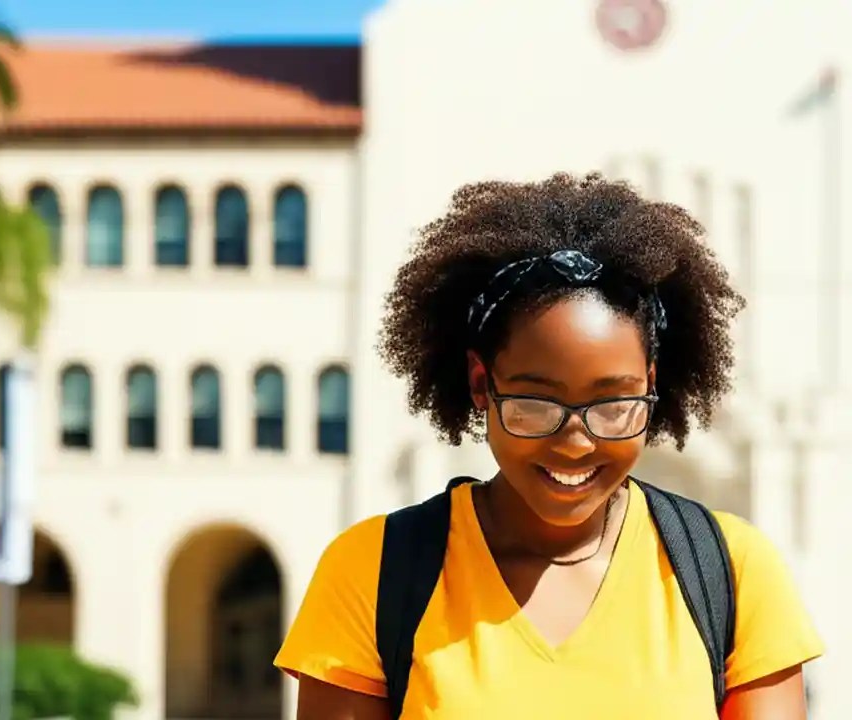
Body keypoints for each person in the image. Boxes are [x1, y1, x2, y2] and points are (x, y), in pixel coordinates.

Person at [274, 172, 824, 718]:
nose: (576, 441)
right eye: (537, 404)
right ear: (480, 385)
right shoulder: (373, 572)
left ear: (651, 385)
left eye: (613, 404)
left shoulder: (731, 571)